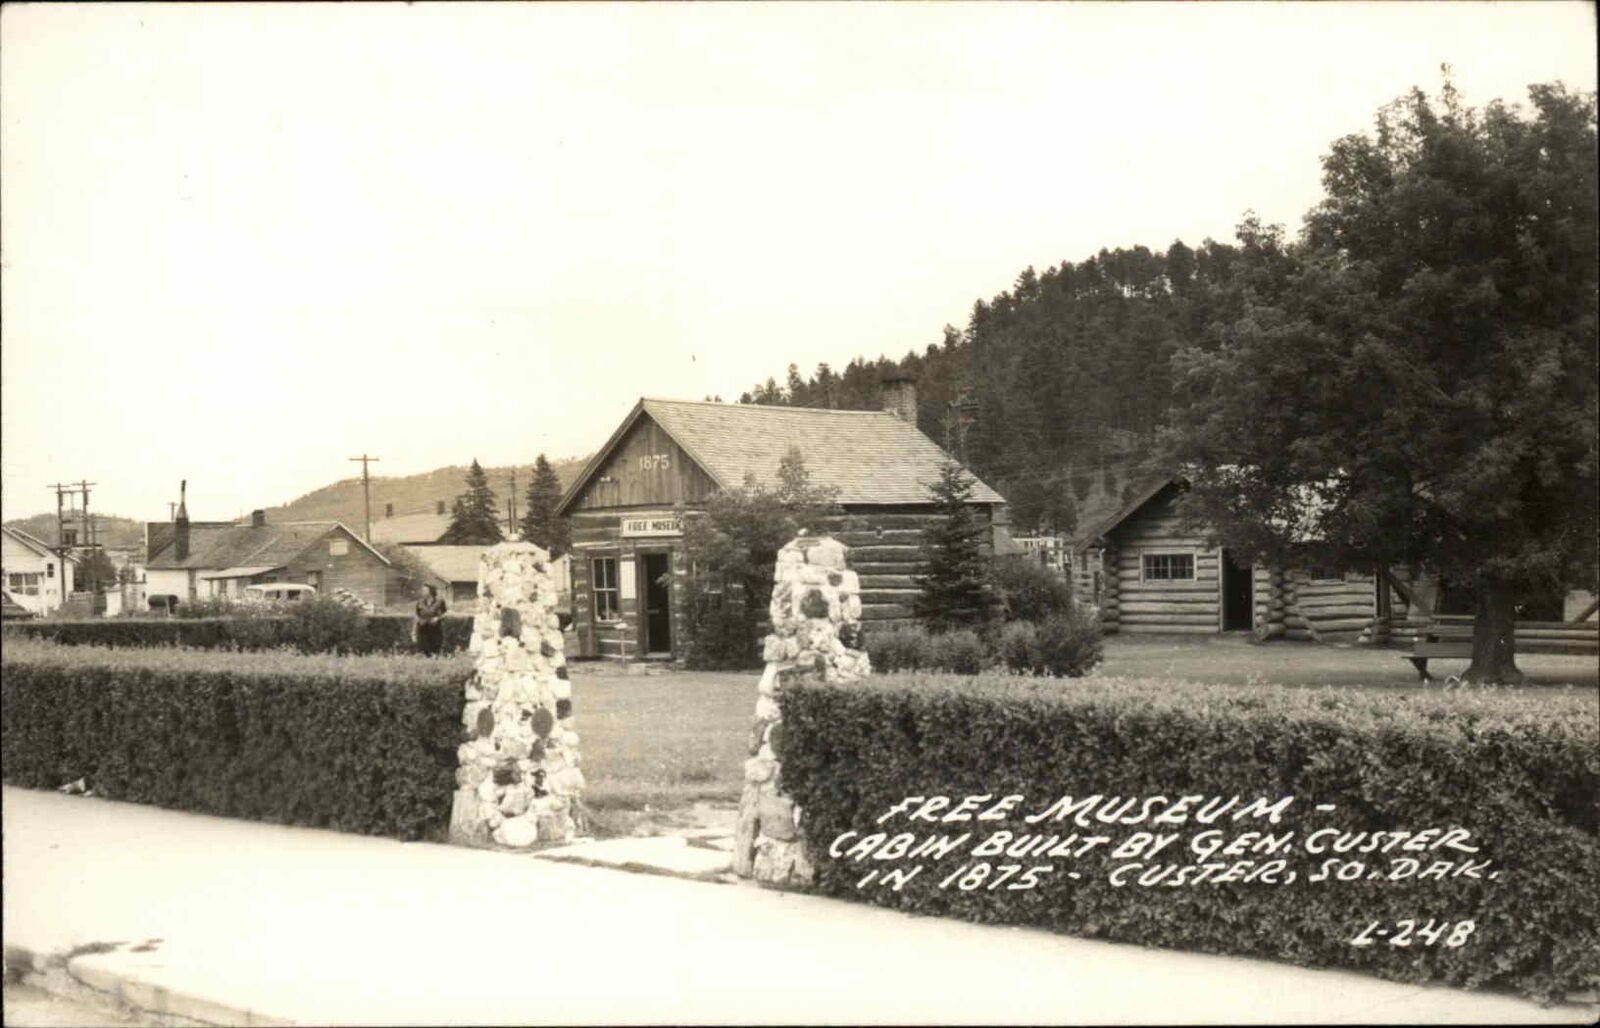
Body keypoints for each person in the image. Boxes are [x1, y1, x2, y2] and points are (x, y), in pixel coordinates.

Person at [414, 584, 447, 656]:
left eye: (425, 590)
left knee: (435, 650)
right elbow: (416, 615)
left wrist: (437, 618)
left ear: (431, 591)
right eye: (422, 590)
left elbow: (445, 614)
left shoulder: (439, 601)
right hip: (422, 628)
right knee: (424, 650)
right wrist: (414, 631)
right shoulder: (419, 602)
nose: (423, 592)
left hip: (435, 628)